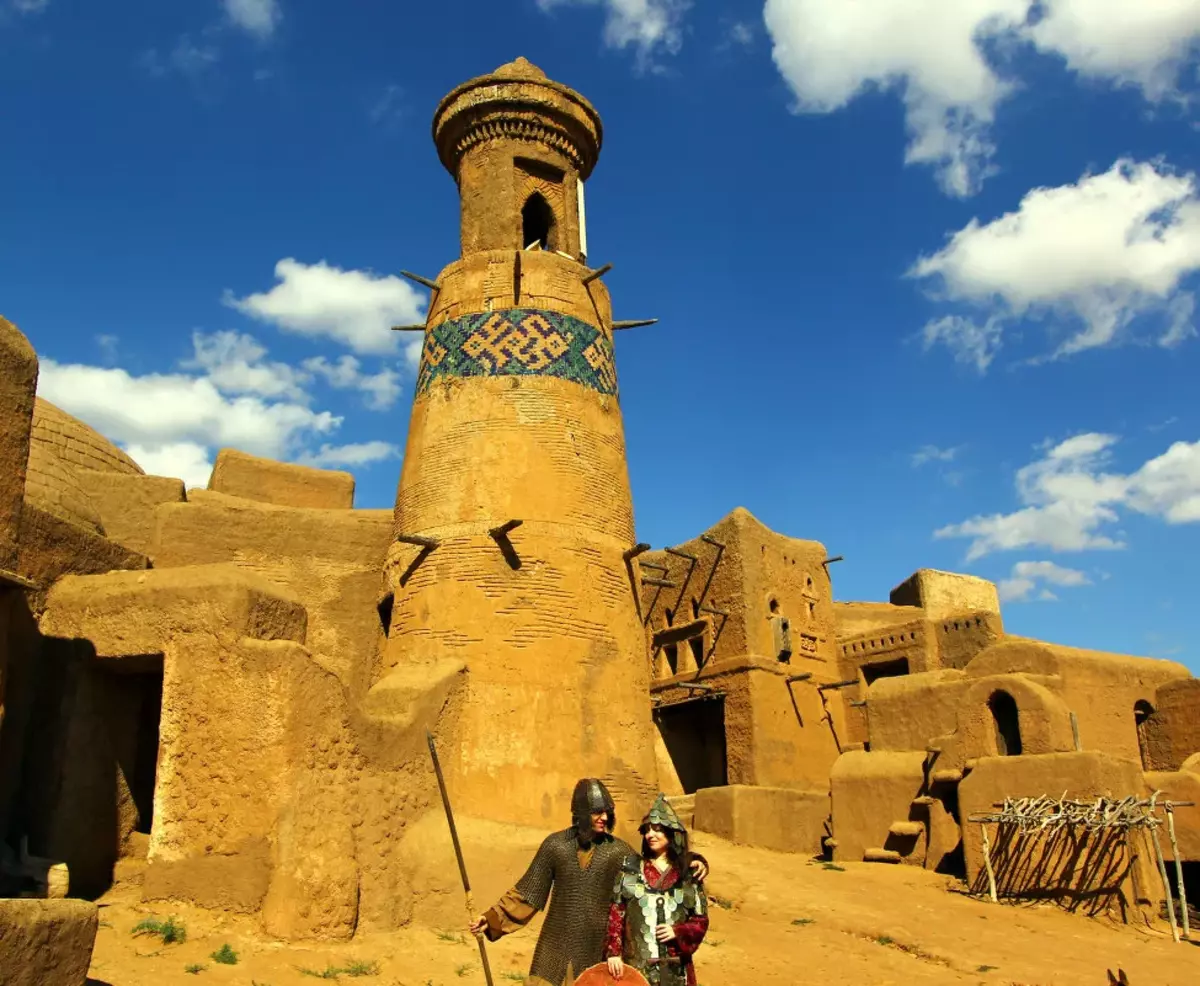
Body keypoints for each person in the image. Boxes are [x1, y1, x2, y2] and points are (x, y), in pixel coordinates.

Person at [469, 779, 709, 986]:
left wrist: (692, 860)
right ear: (581, 813)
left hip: (595, 950)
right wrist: (492, 919)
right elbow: (527, 894)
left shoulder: (618, 852)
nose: (604, 818)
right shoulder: (555, 846)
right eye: (597, 812)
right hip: (553, 948)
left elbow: (653, 869)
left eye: (607, 812)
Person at [604, 794, 708, 986]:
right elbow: (616, 915)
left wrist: (679, 931)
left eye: (658, 829)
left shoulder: (688, 873)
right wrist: (613, 953)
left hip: (677, 971)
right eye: (647, 830)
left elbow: (700, 921)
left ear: (671, 832)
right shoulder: (630, 870)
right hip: (636, 969)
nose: (650, 835)